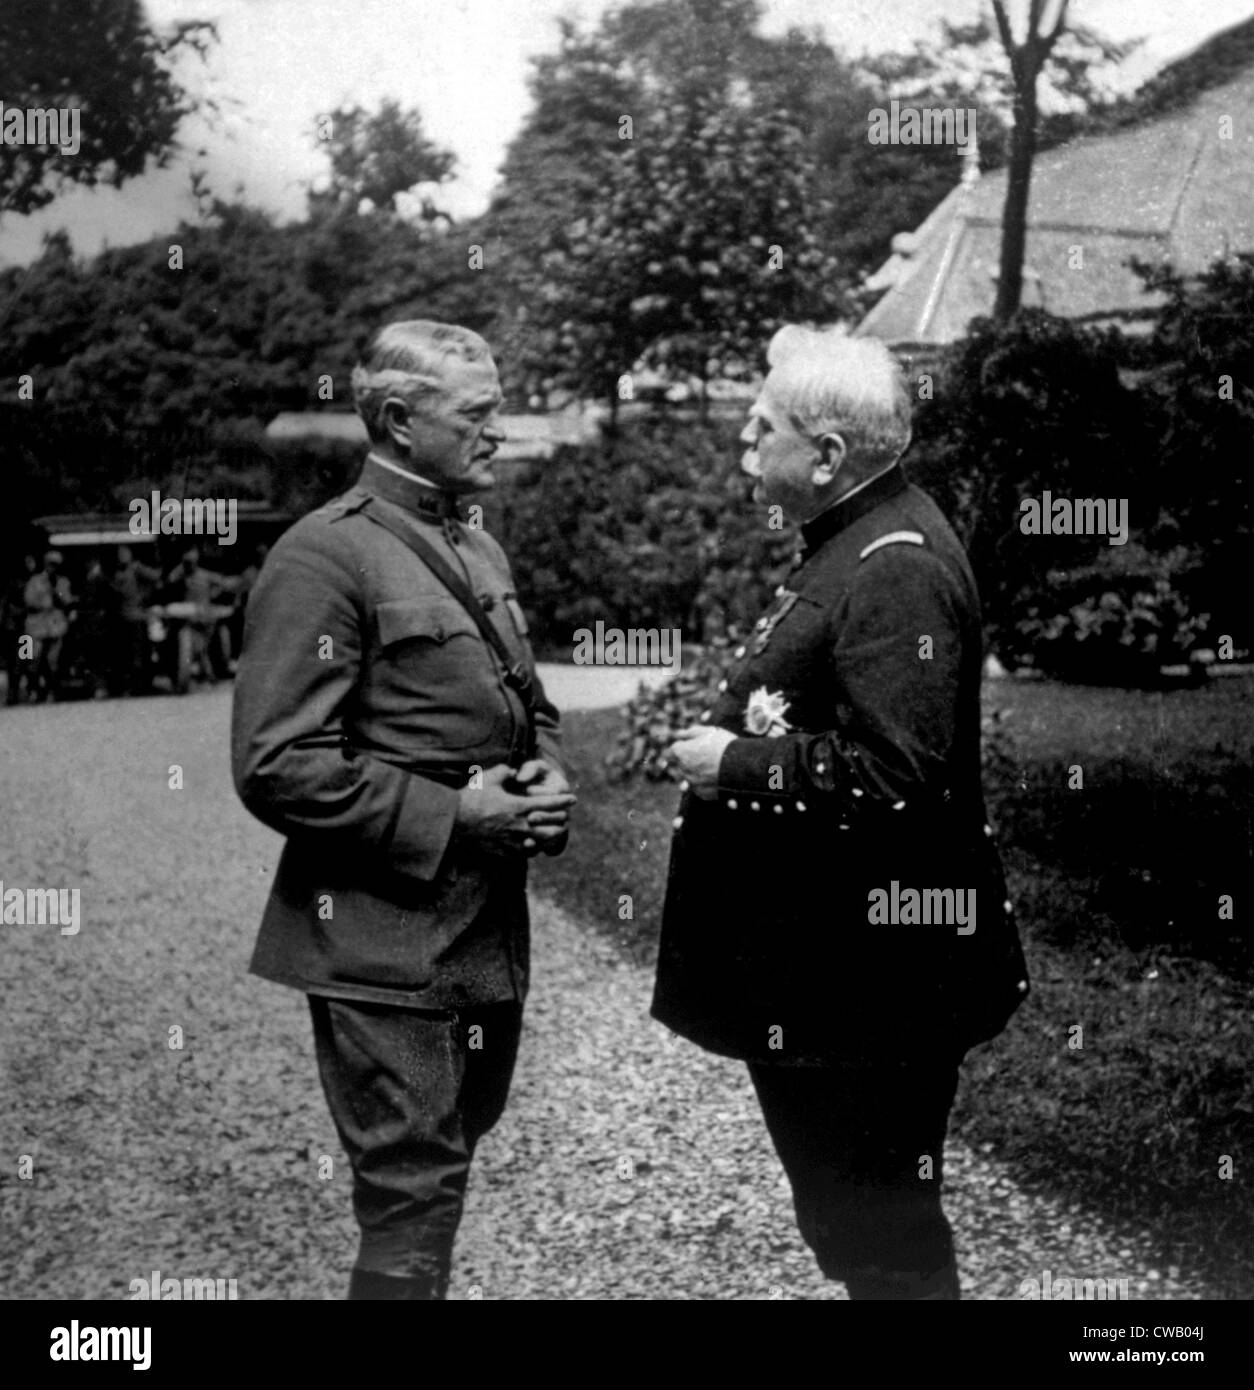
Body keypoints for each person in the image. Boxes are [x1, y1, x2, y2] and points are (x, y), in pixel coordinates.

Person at [652, 327, 1030, 1301]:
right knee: (860, 1227)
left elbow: (896, 774)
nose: (743, 428)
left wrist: (736, 760)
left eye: (764, 420)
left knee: (879, 1235)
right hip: (846, 973)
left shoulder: (892, 562)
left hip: (872, 982)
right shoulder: (861, 537)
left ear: (826, 456)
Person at [232, 320, 575, 1301]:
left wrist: (544, 775)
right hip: (378, 934)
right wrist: (461, 814)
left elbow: (527, 706)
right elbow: (276, 762)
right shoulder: (321, 559)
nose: (500, 432)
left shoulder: (475, 541)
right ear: (394, 419)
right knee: (411, 1194)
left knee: (445, 1163)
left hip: (480, 928)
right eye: (479, 413)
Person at [111, 545, 163, 695]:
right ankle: (130, 686)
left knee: (139, 654)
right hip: (122, 618)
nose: (122, 557)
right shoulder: (117, 573)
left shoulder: (136, 569)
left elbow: (155, 577)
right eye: (120, 555)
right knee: (125, 655)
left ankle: (139, 686)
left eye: (125, 554)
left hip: (136, 617)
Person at [23, 549, 73, 702]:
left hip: (55, 626)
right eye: (51, 564)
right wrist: (44, 604)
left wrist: (58, 593)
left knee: (53, 661)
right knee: (33, 659)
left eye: (56, 565)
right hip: (36, 626)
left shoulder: (63, 582)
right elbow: (29, 601)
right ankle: (34, 690)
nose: (53, 568)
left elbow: (67, 601)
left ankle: (52, 690)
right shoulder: (35, 581)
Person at [2, 555, 37, 705]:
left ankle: (17, 693)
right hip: (21, 630)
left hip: (18, 630)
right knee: (21, 661)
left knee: (19, 662)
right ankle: (21, 692)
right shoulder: (23, 585)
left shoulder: (16, 584)